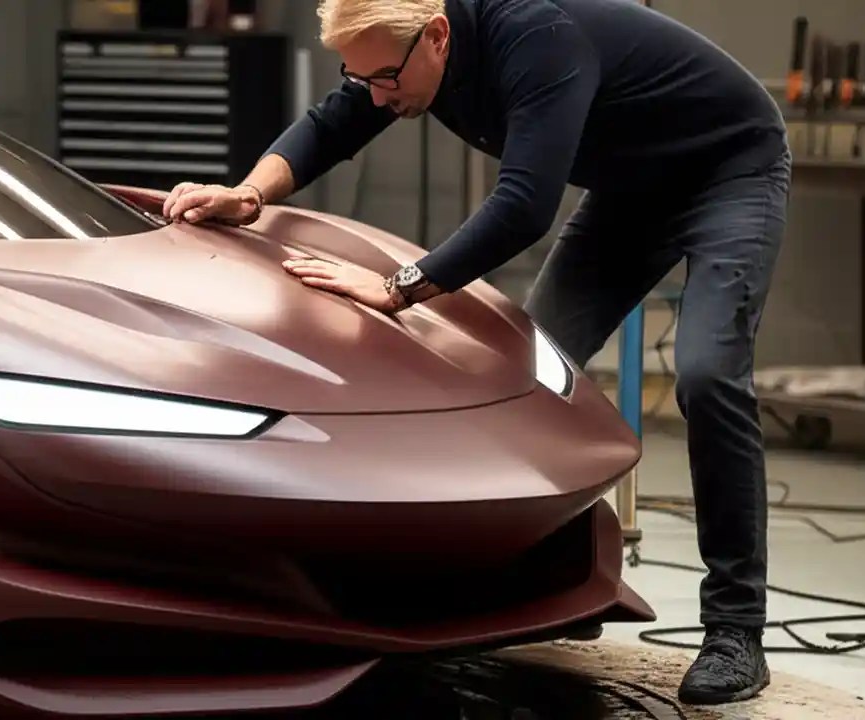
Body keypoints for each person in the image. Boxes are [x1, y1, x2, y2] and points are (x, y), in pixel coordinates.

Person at [162, 0, 788, 706]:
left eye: (385, 79)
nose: (376, 96)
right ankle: (539, 584)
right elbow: (332, 123)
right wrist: (249, 194)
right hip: (630, 190)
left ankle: (736, 629)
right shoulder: (399, 55)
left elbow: (524, 205)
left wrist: (401, 287)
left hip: (728, 169)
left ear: (437, 38)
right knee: (529, 376)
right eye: (361, 78)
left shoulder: (536, 37)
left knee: (706, 374)